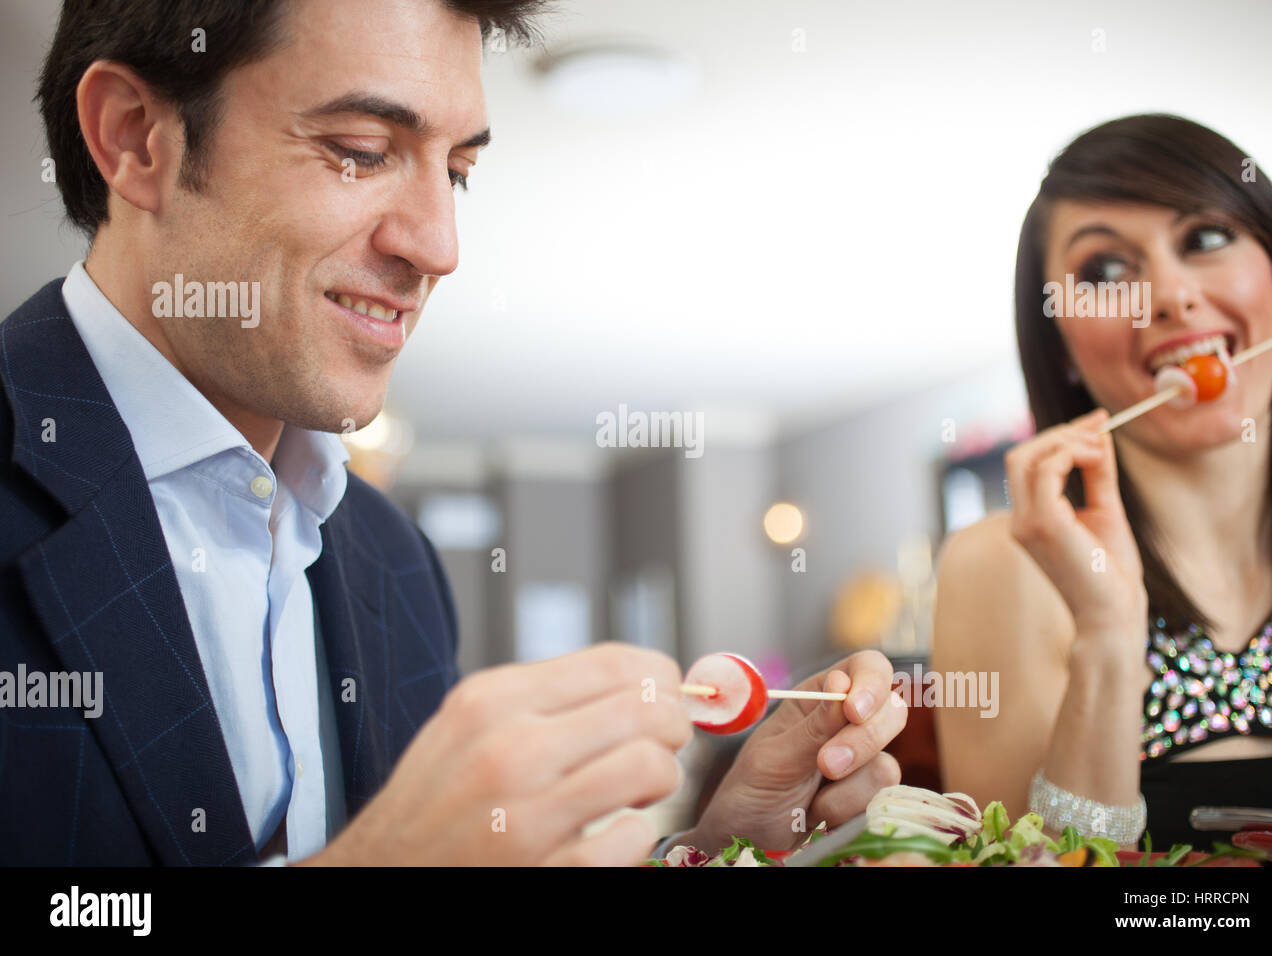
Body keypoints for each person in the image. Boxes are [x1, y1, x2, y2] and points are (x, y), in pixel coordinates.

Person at [0, 0, 907, 866]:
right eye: (360, 151)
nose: (440, 246)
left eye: (459, 172)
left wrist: (720, 846)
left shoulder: (396, 565)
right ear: (134, 136)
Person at [932, 114, 1272, 850]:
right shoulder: (1004, 564)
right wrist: (1107, 634)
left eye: (1204, 238)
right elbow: (1028, 868)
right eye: (1105, 271)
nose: (1168, 295)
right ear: (1061, 345)